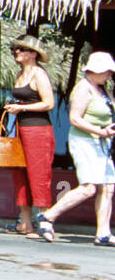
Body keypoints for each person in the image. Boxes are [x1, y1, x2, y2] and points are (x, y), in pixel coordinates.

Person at [37, 52, 115, 245]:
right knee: (89, 188)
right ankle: (48, 216)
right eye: (107, 72)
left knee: (108, 186)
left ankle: (103, 232)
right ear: (96, 71)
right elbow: (74, 119)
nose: (109, 76)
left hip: (103, 143)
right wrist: (99, 131)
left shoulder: (104, 90)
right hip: (85, 142)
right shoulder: (83, 89)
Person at [1, 36, 57, 237]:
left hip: (38, 130)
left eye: (22, 49)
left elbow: (49, 103)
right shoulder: (20, 73)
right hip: (20, 129)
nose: (17, 52)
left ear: (33, 54)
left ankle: (44, 220)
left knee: (39, 174)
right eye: (15, 49)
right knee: (20, 175)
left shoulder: (38, 74)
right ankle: (25, 223)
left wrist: (21, 108)